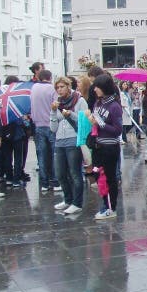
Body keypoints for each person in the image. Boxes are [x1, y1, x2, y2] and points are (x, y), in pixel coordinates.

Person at [85, 74, 123, 219]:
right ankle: (105, 204)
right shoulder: (98, 103)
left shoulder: (114, 106)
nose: (95, 90)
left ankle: (111, 207)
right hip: (98, 145)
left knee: (109, 178)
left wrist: (99, 122)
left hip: (109, 147)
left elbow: (117, 130)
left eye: (98, 87)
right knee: (98, 175)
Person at [50, 77, 87, 214]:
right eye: (57, 88)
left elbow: (85, 120)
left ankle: (77, 203)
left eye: (62, 87)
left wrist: (71, 114)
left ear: (68, 86)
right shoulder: (57, 103)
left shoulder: (79, 100)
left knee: (74, 173)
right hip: (59, 141)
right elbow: (53, 128)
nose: (59, 90)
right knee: (60, 173)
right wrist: (53, 112)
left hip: (73, 140)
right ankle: (67, 199)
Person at [30, 69, 60, 192]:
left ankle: (44, 183)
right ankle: (55, 181)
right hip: (51, 124)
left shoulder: (33, 88)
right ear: (50, 77)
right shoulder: (52, 89)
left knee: (42, 155)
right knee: (54, 154)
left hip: (38, 124)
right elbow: (57, 105)